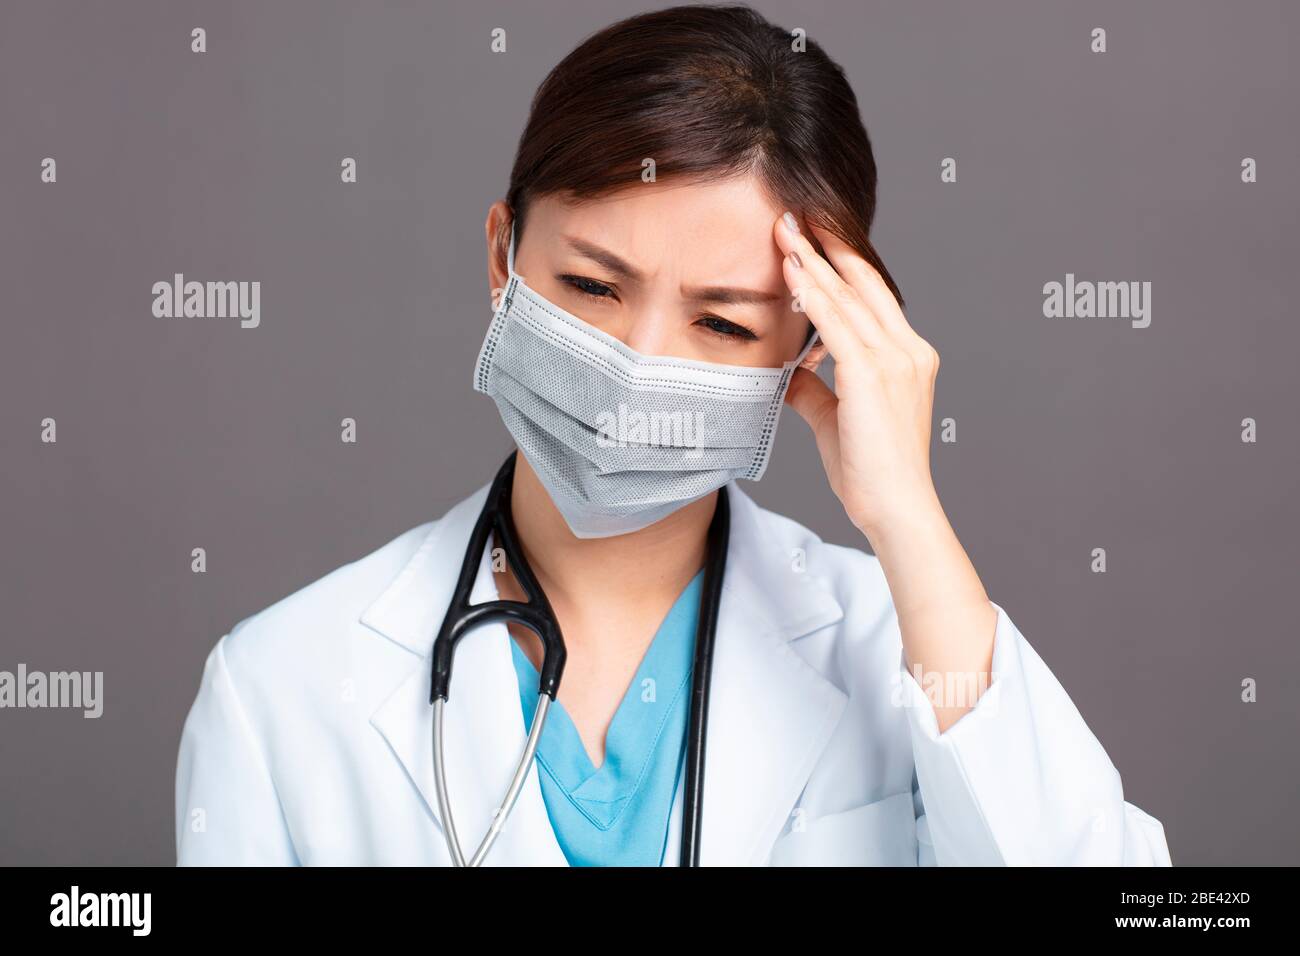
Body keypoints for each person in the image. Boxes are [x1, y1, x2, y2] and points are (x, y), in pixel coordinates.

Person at [175, 4, 1171, 866]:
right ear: (501, 256)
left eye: (724, 323)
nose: (635, 369)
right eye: (591, 286)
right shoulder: (281, 687)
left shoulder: (898, 644)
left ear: (809, 348)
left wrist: (905, 515)